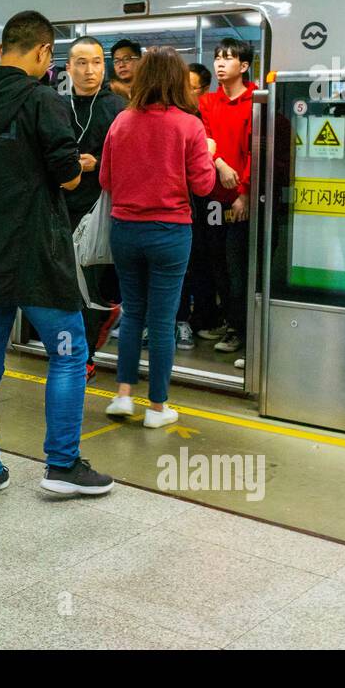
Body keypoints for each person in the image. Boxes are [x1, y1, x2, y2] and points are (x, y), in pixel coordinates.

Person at [0, 9, 114, 503]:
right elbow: (68, 177)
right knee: (69, 353)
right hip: (36, 251)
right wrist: (72, 166)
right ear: (42, 54)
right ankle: (62, 465)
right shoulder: (41, 101)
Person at [101, 47, 217, 427]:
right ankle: (157, 407)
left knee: (133, 313)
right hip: (169, 232)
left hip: (125, 230)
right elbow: (203, 186)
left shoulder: (121, 122)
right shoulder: (189, 125)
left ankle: (122, 396)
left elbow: (105, 180)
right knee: (163, 321)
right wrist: (210, 153)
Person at [60, 37, 122, 379]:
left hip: (101, 207)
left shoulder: (118, 108)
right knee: (69, 286)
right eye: (81, 63)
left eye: (96, 62)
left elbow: (129, 162)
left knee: (91, 286)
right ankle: (73, 350)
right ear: (69, 67)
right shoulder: (57, 106)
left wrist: (97, 165)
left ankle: (86, 357)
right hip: (62, 207)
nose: (89, 70)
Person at [198, 38, 257, 359]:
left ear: (244, 66)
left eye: (229, 58)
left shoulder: (255, 101)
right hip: (214, 197)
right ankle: (229, 321)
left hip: (240, 200)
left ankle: (241, 329)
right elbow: (205, 139)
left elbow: (254, 149)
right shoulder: (208, 101)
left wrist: (245, 192)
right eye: (218, 58)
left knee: (238, 266)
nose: (220, 63)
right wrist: (219, 164)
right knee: (216, 261)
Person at [173, 62, 221, 349]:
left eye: (190, 87)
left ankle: (194, 318)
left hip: (198, 203)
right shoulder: (170, 116)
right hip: (175, 206)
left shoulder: (200, 117)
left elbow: (203, 179)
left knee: (198, 262)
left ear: (203, 90)